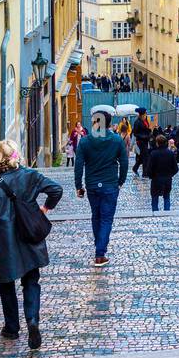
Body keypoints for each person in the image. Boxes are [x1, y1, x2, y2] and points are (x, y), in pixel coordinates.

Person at [0, 140, 63, 351]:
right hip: (29, 235)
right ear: (16, 155)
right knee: (31, 280)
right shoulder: (30, 176)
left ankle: (11, 327)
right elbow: (56, 190)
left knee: (6, 283)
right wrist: (44, 209)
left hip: (6, 240)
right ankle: (32, 321)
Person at [74, 108, 129, 267]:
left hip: (92, 185)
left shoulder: (85, 141)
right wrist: (121, 180)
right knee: (106, 219)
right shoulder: (116, 140)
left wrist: (79, 185)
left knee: (96, 216)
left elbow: (79, 165)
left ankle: (100, 249)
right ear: (109, 123)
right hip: (110, 184)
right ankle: (100, 253)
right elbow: (124, 162)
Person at [144, 134, 178, 212]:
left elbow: (149, 169)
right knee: (166, 196)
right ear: (166, 142)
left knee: (154, 197)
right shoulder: (170, 153)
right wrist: (170, 175)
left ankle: (155, 212)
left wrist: (151, 176)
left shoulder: (153, 154)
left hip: (156, 179)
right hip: (167, 179)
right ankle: (167, 212)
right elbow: (176, 169)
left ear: (157, 143)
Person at [133, 110, 153, 176]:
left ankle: (135, 168)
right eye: (145, 114)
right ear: (141, 115)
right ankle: (145, 173)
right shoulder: (137, 122)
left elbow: (146, 129)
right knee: (146, 157)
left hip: (146, 140)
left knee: (142, 156)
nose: (146, 115)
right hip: (141, 141)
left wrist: (149, 131)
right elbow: (135, 133)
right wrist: (144, 136)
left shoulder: (145, 120)